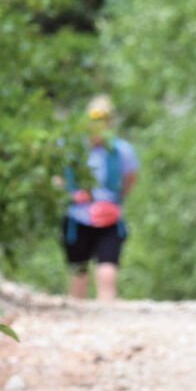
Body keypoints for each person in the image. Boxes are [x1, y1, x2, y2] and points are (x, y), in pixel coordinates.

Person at [60, 94, 140, 303]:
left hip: (108, 216)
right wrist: (73, 195)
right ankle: (83, 317)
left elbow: (130, 179)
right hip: (78, 216)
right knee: (81, 270)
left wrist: (114, 202)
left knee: (105, 270)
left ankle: (104, 316)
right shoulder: (73, 147)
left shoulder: (120, 150)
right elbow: (58, 177)